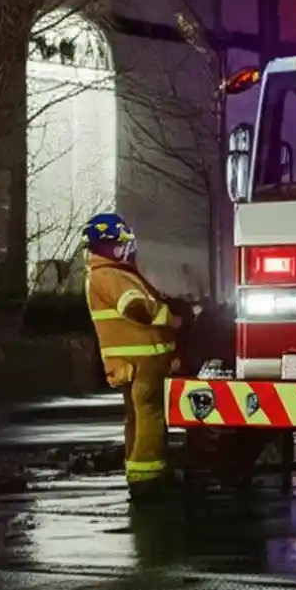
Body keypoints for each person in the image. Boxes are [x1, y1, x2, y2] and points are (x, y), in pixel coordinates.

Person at [81, 213, 182, 500]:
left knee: (136, 417)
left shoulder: (104, 274)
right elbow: (135, 307)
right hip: (143, 362)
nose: (129, 250)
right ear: (114, 245)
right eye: (124, 244)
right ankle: (148, 479)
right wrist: (170, 319)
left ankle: (139, 471)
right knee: (149, 414)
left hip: (132, 363)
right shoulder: (110, 275)